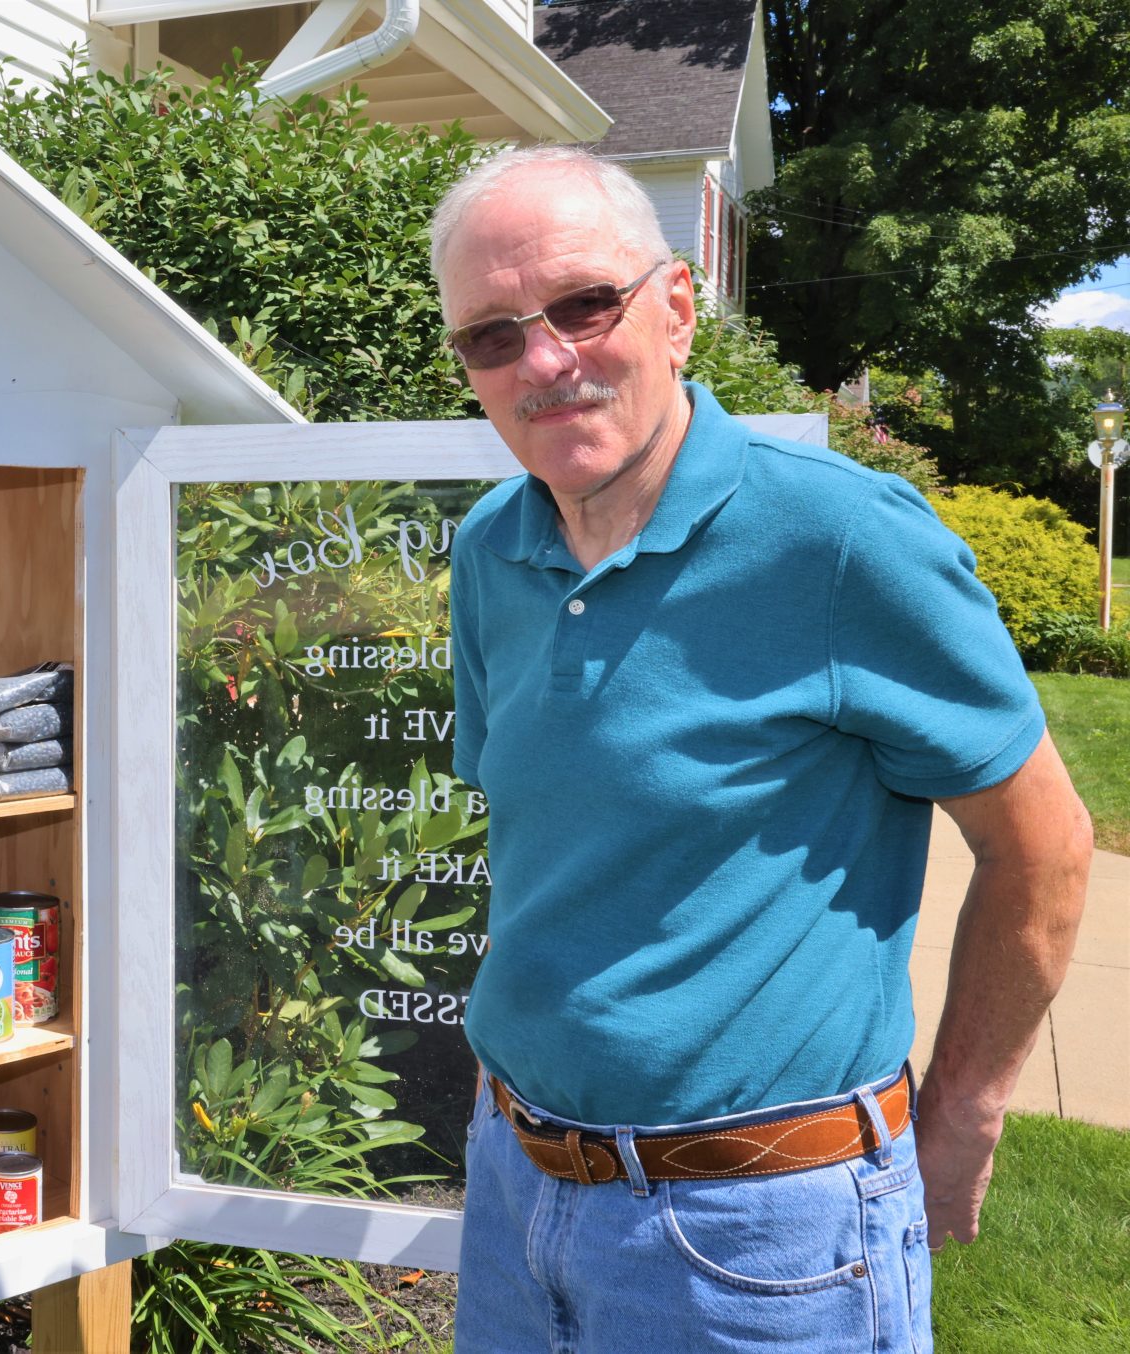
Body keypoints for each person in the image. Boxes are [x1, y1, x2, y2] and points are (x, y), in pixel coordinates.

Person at [434, 145, 1092, 1351]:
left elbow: (1041, 844)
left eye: (584, 304)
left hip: (760, 1237)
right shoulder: (489, 551)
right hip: (516, 1193)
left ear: (676, 307)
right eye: (491, 334)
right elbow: (544, 847)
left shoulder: (839, 539)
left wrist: (962, 1109)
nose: (544, 360)